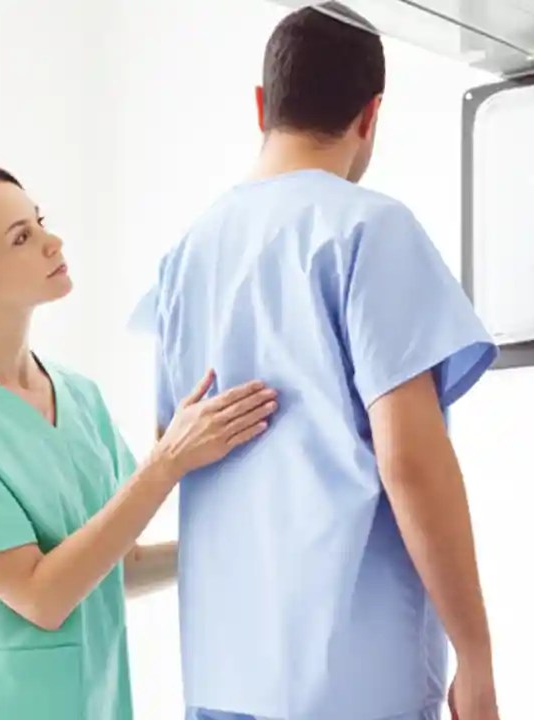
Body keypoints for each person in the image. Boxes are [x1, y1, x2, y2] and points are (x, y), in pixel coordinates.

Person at [131, 5, 502, 720]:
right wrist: (477, 661)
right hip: (353, 679)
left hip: (224, 675)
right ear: (371, 116)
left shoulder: (186, 256)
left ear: (262, 106)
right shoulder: (369, 230)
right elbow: (413, 464)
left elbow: (171, 459)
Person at [0, 163, 278, 720]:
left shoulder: (78, 396)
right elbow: (43, 596)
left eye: (39, 222)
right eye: (22, 236)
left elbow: (120, 563)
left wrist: (233, 551)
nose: (52, 242)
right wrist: (168, 462)